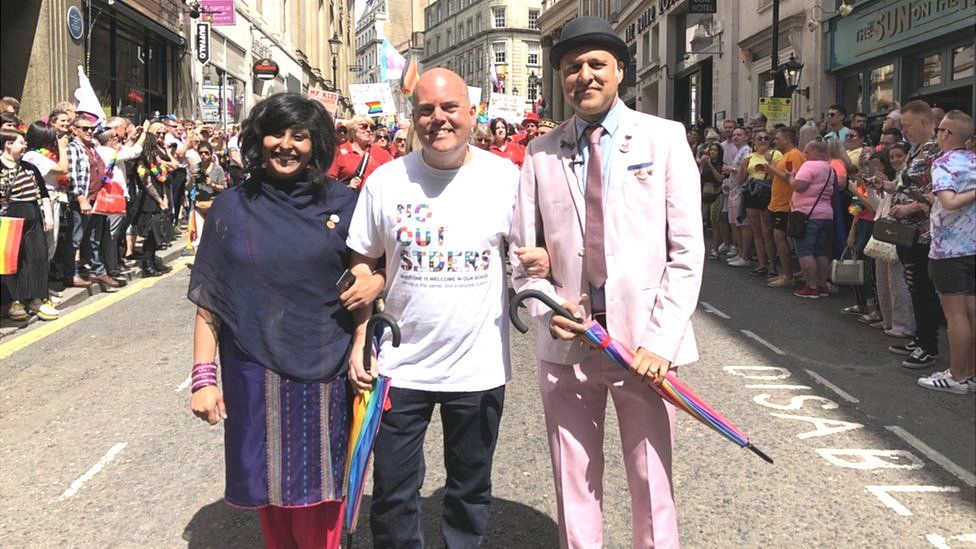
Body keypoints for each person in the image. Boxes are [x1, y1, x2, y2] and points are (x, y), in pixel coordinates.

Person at [509, 16, 703, 547]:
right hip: (568, 344)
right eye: (573, 67)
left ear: (620, 71)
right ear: (561, 78)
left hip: (642, 348)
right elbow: (523, 256)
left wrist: (661, 343)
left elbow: (687, 252)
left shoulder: (664, 139)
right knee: (573, 481)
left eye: (597, 64)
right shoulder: (540, 153)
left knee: (651, 479)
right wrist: (547, 311)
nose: (585, 75)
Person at [344, 68, 547, 547]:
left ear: (472, 114)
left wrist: (544, 259)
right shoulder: (385, 181)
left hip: (477, 366)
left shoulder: (506, 178)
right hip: (399, 365)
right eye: (426, 110)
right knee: (393, 491)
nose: (438, 119)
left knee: (469, 489)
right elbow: (362, 260)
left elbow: (532, 251)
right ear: (413, 118)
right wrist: (360, 338)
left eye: (450, 108)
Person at [188, 93, 384, 548]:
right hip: (253, 369)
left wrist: (376, 281)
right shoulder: (231, 208)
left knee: (324, 493)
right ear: (258, 139)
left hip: (327, 367)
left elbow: (379, 265)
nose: (287, 145)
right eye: (276, 133)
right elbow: (210, 301)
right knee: (269, 492)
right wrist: (203, 380)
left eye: (300, 135)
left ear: (317, 144)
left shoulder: (345, 203)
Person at [916, 110, 976, 393]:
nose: (937, 133)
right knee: (972, 313)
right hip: (972, 248)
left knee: (956, 315)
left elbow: (950, 202)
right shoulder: (974, 161)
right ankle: (970, 373)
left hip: (949, 250)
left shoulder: (943, 162)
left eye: (940, 128)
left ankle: (956, 375)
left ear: (947, 134)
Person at [887, 100, 945, 369]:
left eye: (908, 125)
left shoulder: (936, 152)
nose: (905, 130)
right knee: (914, 285)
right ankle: (921, 337)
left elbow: (938, 194)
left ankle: (928, 346)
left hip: (924, 233)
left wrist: (909, 207)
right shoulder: (915, 150)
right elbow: (908, 185)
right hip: (907, 232)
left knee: (923, 289)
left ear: (924, 122)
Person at [1, 130, 58, 321]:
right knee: (12, 258)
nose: (25, 146)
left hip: (33, 214)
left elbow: (43, 193)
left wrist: (48, 216)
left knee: (38, 255)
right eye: (21, 143)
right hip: (10, 216)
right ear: (8, 144)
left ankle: (37, 300)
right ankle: (15, 301)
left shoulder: (30, 167)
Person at [65, 112, 120, 291]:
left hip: (97, 200)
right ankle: (70, 274)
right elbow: (72, 176)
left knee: (94, 239)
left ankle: (98, 271)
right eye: (85, 128)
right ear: (75, 130)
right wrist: (81, 199)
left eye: (92, 129)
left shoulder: (92, 147)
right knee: (76, 239)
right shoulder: (73, 148)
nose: (90, 131)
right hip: (83, 200)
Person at [790, 139, 836, 299]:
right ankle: (822, 285)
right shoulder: (829, 169)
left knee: (805, 251)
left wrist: (791, 178)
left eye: (807, 152)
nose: (805, 155)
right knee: (820, 252)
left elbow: (799, 186)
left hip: (807, 214)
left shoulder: (809, 165)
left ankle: (811, 286)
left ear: (816, 152)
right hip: (826, 214)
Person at [763, 127, 804, 288]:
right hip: (778, 203)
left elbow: (793, 178)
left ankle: (788, 275)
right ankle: (786, 273)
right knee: (777, 237)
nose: (775, 141)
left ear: (787, 140)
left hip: (786, 204)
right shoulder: (786, 156)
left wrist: (772, 169)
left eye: (778, 138)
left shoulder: (794, 155)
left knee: (780, 237)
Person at [737, 129, 781, 274]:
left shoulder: (775, 154)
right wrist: (743, 166)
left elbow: (778, 177)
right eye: (759, 138)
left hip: (767, 192)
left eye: (765, 138)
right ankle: (762, 265)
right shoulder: (749, 156)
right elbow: (740, 180)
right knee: (756, 231)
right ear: (754, 141)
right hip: (752, 192)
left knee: (766, 231)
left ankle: (772, 266)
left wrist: (769, 165)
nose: (763, 141)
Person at [326, 115, 394, 191]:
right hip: (349, 197)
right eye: (364, 126)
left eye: (372, 128)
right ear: (353, 130)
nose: (369, 130)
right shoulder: (339, 151)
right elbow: (329, 182)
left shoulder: (382, 153)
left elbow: (392, 178)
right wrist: (347, 187)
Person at [699, 142, 726, 258]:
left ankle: (714, 248)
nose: (713, 152)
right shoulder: (704, 163)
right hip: (705, 193)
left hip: (717, 193)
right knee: (702, 221)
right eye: (711, 150)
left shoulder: (722, 165)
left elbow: (720, 179)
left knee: (715, 222)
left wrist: (710, 166)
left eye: (715, 150)